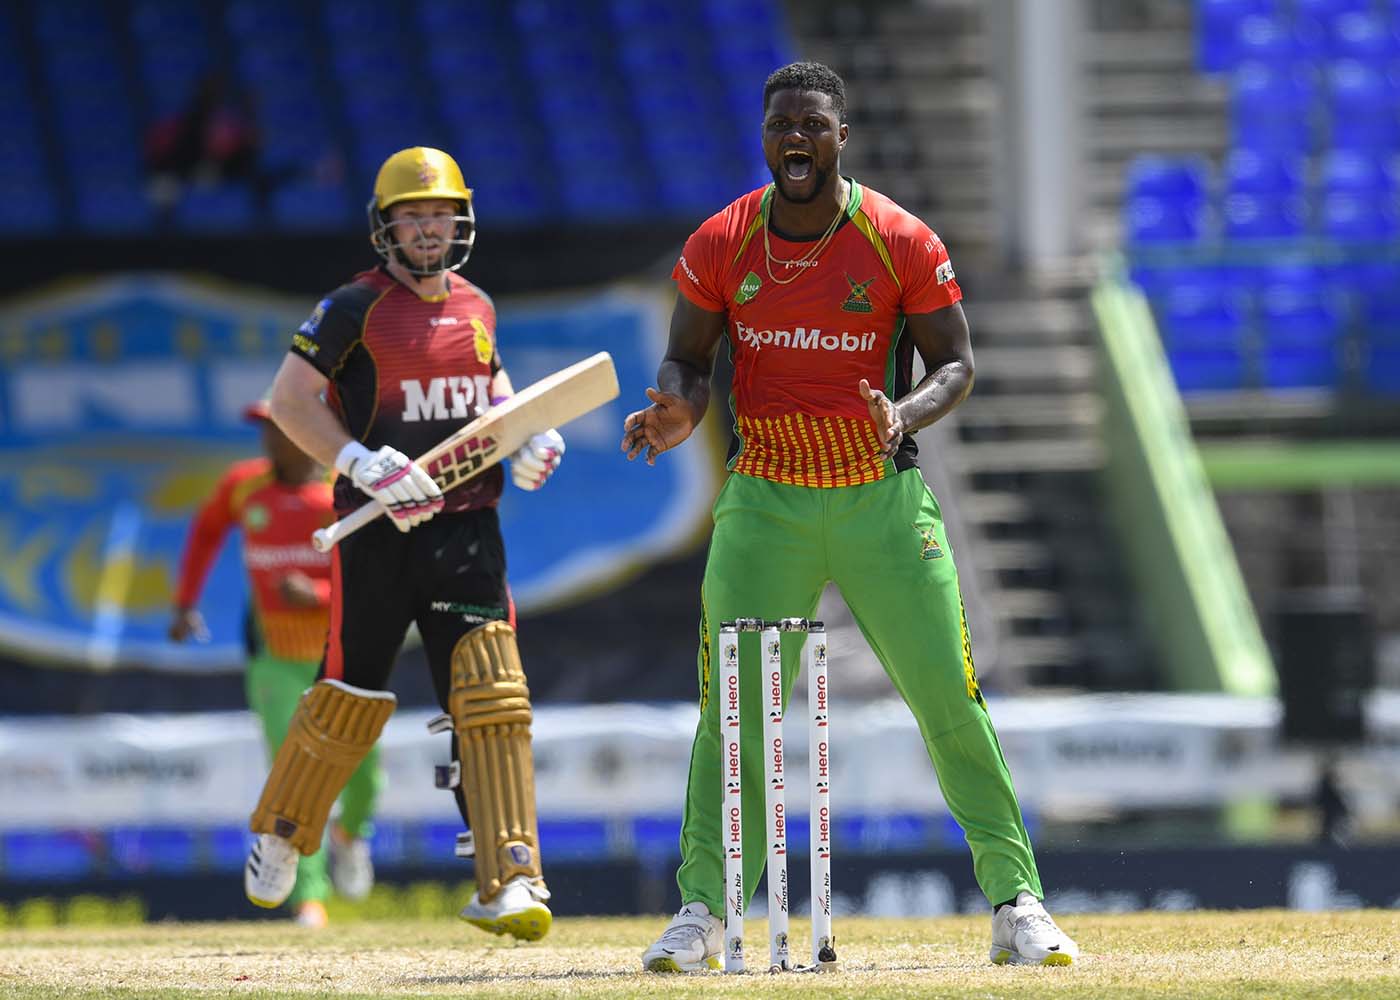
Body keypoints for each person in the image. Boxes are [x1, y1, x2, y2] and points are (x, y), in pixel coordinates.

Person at [622, 62, 1079, 970]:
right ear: (766, 138)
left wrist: (906, 412)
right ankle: (704, 912)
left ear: (840, 137)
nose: (796, 138)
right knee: (735, 715)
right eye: (781, 124)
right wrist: (678, 404)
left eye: (813, 124)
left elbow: (957, 362)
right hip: (767, 502)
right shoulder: (723, 241)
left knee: (950, 701)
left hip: (879, 497)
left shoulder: (899, 238)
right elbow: (686, 358)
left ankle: (1017, 904)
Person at [240, 146, 565, 942]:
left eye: (440, 215)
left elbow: (492, 394)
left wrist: (526, 435)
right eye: (412, 216)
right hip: (376, 533)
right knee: (349, 695)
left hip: (466, 529)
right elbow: (289, 401)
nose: (428, 229)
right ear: (386, 228)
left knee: (490, 696)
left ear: (461, 220)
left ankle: (509, 876)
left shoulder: (479, 307)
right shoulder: (353, 305)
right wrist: (355, 457)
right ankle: (280, 830)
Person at [169, 399, 382, 929]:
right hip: (274, 658)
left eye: (279, 428)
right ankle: (310, 897)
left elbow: (380, 580)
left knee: (364, 775)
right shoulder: (244, 485)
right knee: (294, 771)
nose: (268, 440)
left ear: (308, 431)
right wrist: (184, 602)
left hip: (343, 653)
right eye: (264, 429)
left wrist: (315, 591)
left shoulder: (344, 489)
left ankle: (351, 834)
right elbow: (205, 530)